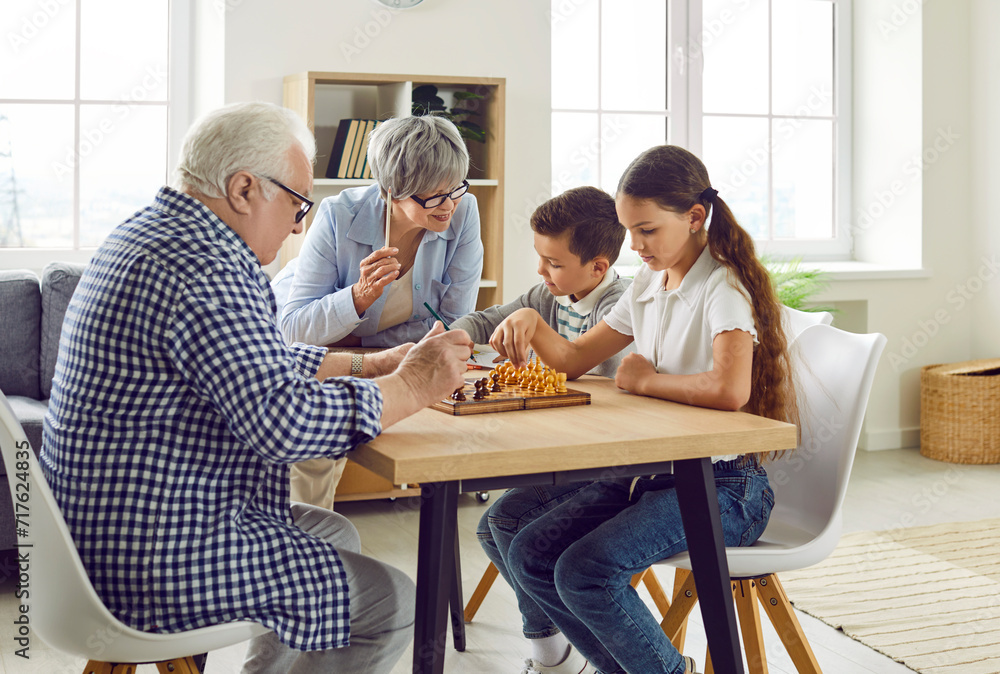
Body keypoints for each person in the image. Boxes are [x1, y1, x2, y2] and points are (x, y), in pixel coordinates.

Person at [39, 101, 473, 674]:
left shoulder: (159, 234)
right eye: (295, 203)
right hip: (152, 555)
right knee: (394, 604)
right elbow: (284, 424)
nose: (299, 224)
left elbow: (252, 361)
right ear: (244, 189)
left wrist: (366, 366)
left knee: (332, 531)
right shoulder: (206, 267)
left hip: (96, 535)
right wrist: (413, 383)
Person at [491, 145, 799, 674]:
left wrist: (648, 380)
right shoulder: (648, 281)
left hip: (724, 489)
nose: (635, 244)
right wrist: (531, 321)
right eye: (628, 230)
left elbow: (731, 390)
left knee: (585, 571)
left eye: (647, 230)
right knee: (531, 554)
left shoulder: (723, 285)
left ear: (695, 217)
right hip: (651, 478)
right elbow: (573, 358)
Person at [449, 185, 633, 674]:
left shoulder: (623, 305)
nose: (540, 271)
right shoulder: (544, 296)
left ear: (597, 267)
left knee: (509, 526)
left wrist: (535, 329)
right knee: (492, 528)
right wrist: (452, 337)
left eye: (552, 262)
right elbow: (487, 319)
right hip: (562, 450)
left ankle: (565, 652)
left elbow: (601, 382)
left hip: (608, 460)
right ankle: (552, 652)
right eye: (539, 258)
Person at [272, 114, 484, 510]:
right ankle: (307, 552)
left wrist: (359, 339)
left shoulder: (463, 210)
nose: (448, 205)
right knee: (318, 454)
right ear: (391, 190)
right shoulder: (339, 215)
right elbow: (294, 331)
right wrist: (357, 297)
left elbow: (451, 329)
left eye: (455, 188)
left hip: (376, 359)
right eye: (433, 196)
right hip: (311, 359)